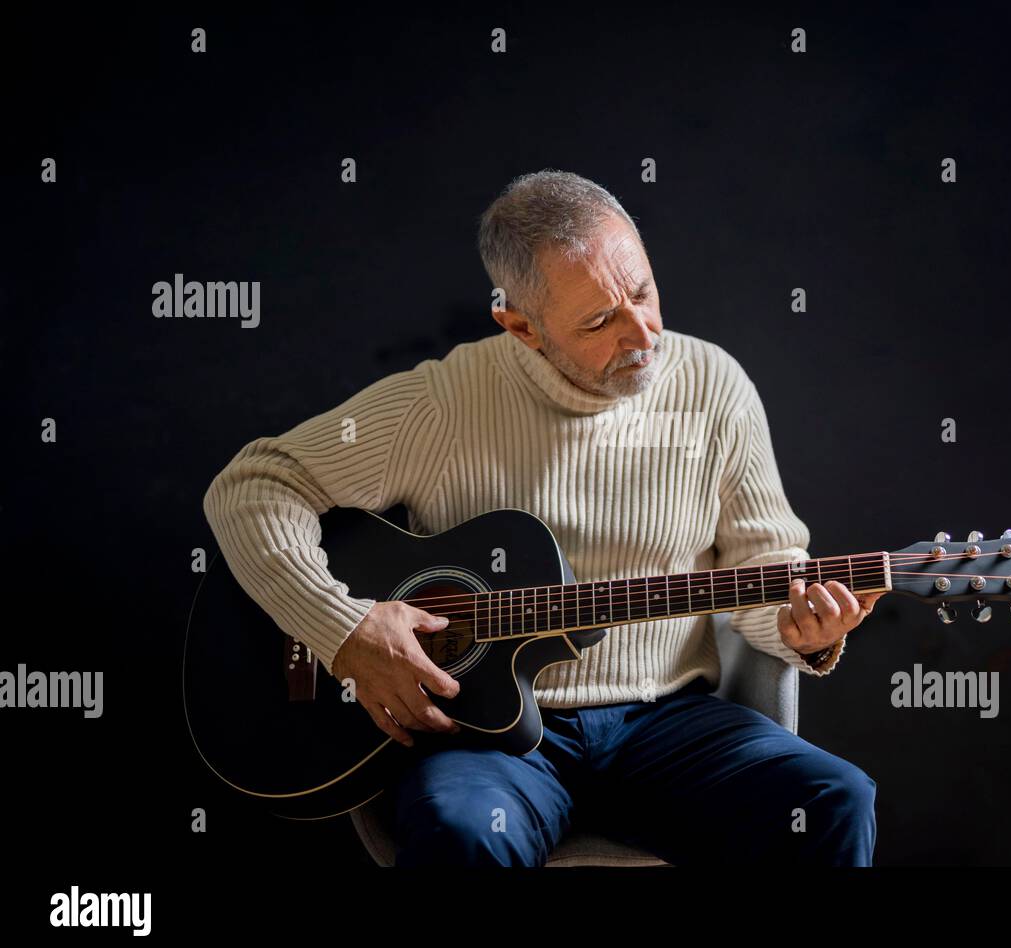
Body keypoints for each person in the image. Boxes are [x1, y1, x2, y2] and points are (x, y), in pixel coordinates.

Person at [203, 169, 880, 865]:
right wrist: (341, 627)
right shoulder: (444, 403)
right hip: (490, 740)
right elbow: (254, 484)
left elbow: (762, 564)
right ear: (521, 326)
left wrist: (805, 626)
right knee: (463, 831)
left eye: (642, 291)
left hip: (668, 724)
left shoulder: (713, 386)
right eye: (598, 321)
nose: (642, 333)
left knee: (832, 798)